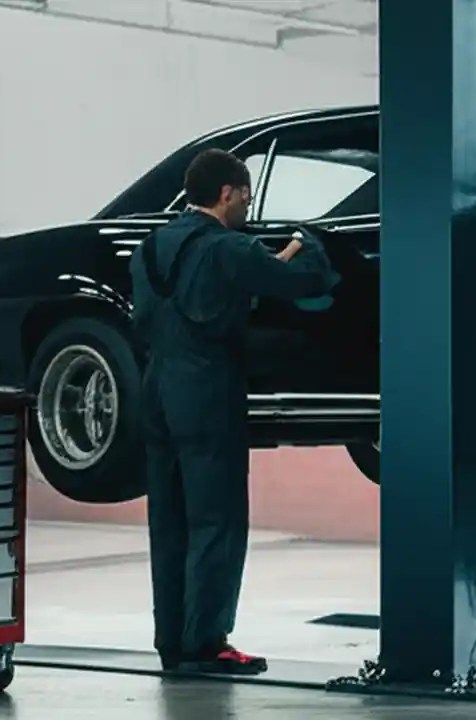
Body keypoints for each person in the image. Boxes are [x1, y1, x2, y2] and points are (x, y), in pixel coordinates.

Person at [129, 148, 334, 675]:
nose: (247, 204)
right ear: (226, 193)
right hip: (205, 390)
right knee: (216, 517)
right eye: (245, 195)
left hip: (155, 391)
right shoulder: (227, 248)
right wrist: (309, 249)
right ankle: (208, 643)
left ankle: (171, 641)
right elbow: (300, 283)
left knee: (168, 520)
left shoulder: (150, 247)